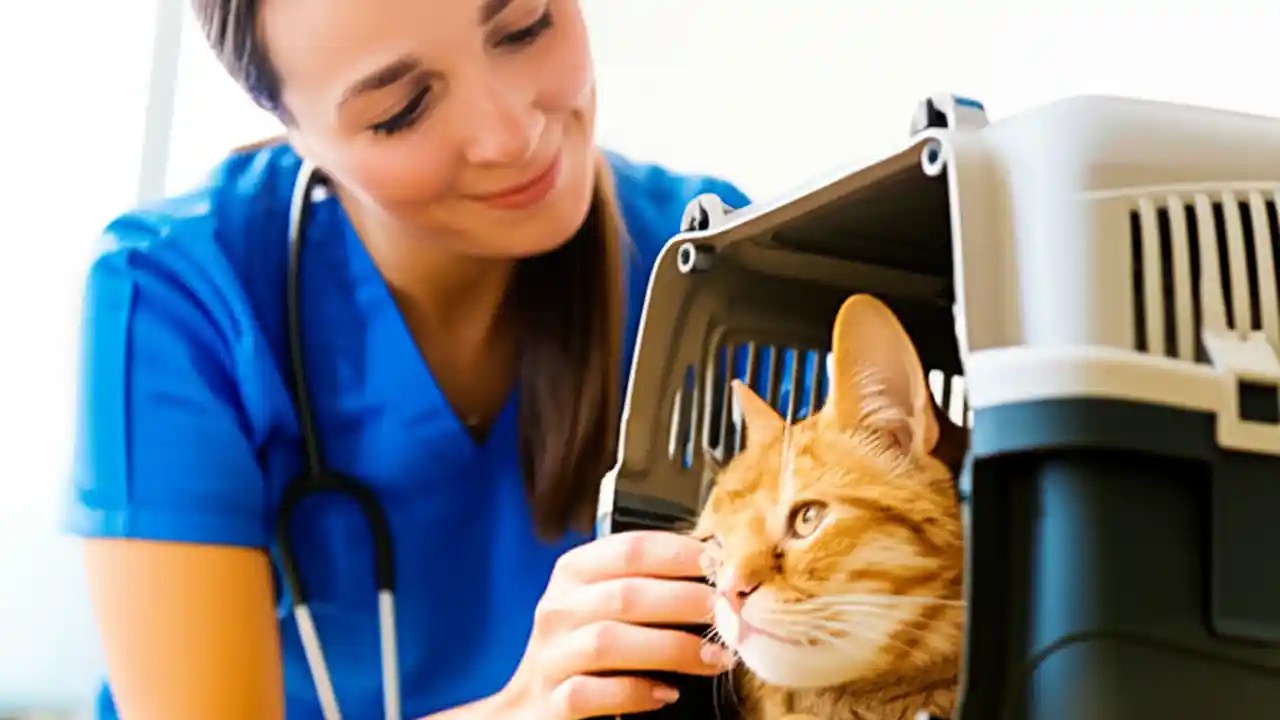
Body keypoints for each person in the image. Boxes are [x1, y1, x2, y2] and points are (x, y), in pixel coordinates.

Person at [66, 0, 752, 718]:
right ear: (294, 131)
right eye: (402, 109)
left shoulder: (714, 265)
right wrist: (523, 710)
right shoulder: (179, 292)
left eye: (525, 27)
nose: (511, 133)